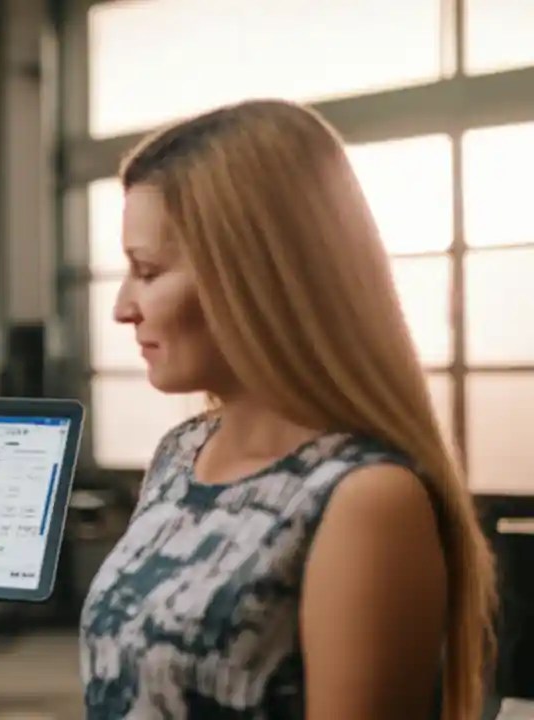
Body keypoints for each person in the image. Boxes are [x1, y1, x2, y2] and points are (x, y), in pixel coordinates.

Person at [79, 99, 496, 720]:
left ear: (251, 273)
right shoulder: (181, 454)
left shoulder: (362, 500)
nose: (122, 307)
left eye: (147, 271)